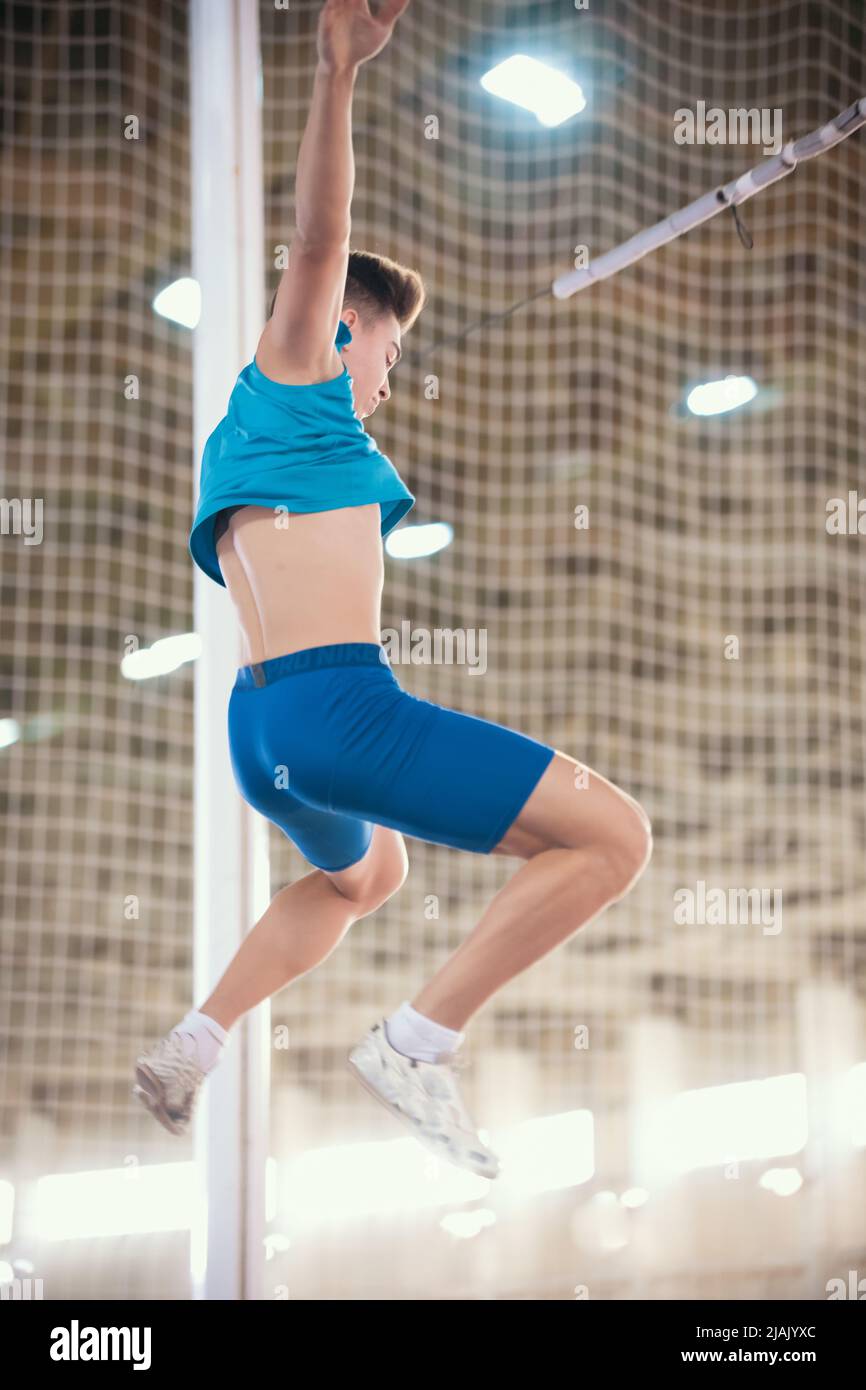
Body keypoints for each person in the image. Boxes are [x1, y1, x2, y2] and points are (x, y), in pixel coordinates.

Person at [133, 0, 652, 1179]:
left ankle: (196, 1038)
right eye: (388, 348)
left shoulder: (245, 438)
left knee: (366, 873)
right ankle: (417, 1042)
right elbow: (319, 242)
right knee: (613, 837)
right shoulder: (297, 376)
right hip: (335, 709)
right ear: (342, 329)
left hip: (260, 731)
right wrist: (336, 74)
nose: (389, 370)